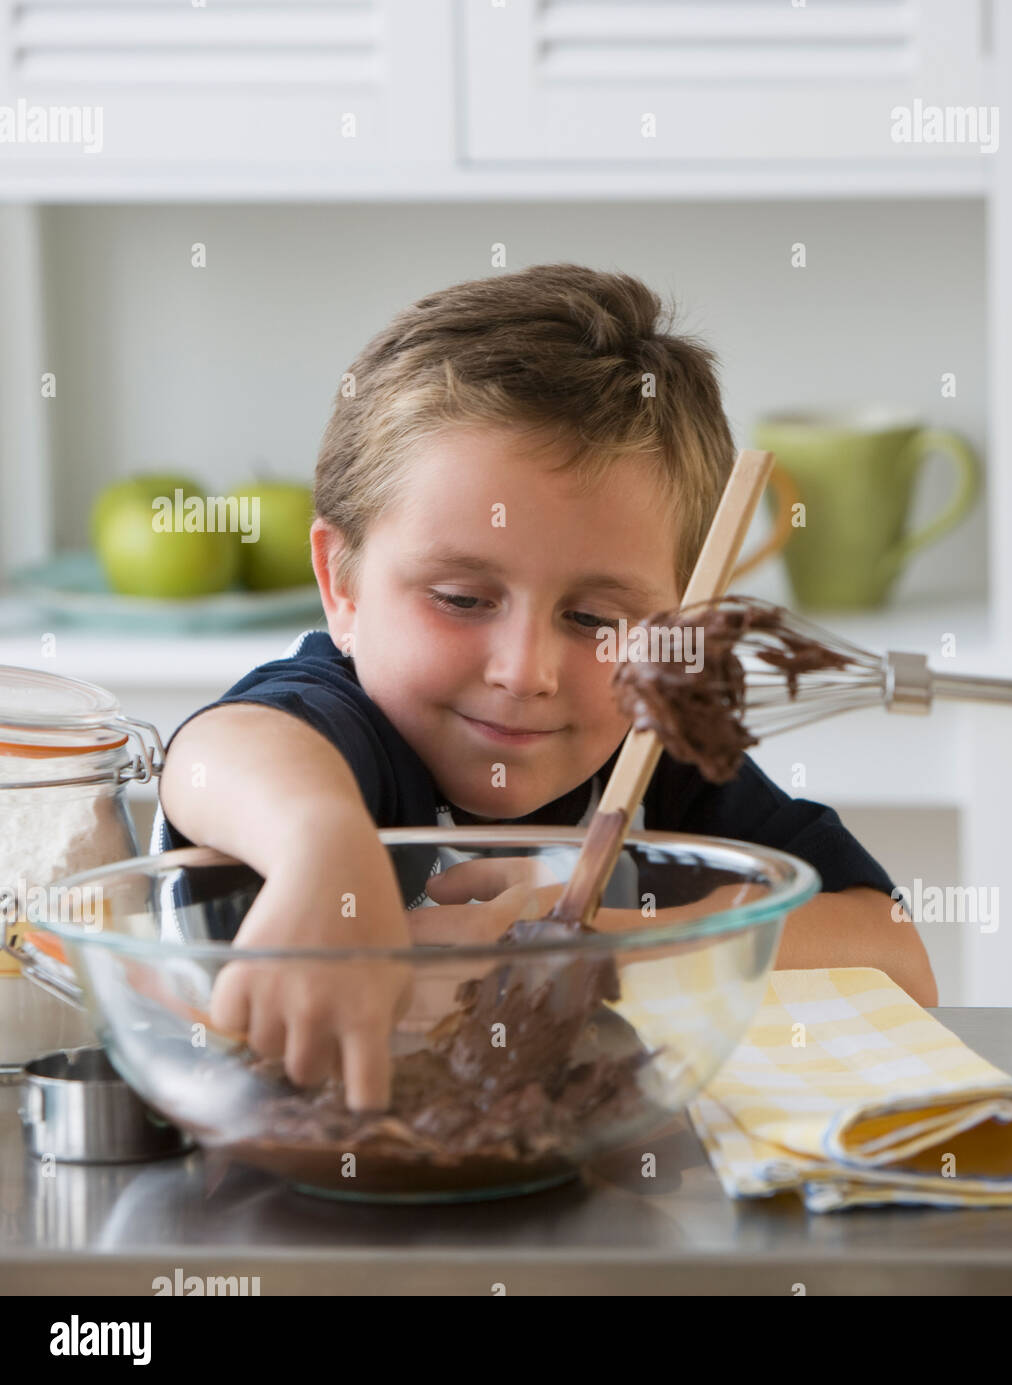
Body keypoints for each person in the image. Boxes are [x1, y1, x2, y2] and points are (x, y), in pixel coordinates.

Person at [157, 264, 937, 1112]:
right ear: (341, 586)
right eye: (461, 599)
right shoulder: (346, 728)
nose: (524, 671)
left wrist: (590, 948)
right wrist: (325, 852)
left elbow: (895, 953)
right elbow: (208, 757)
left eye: (597, 619)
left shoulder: (650, 755)